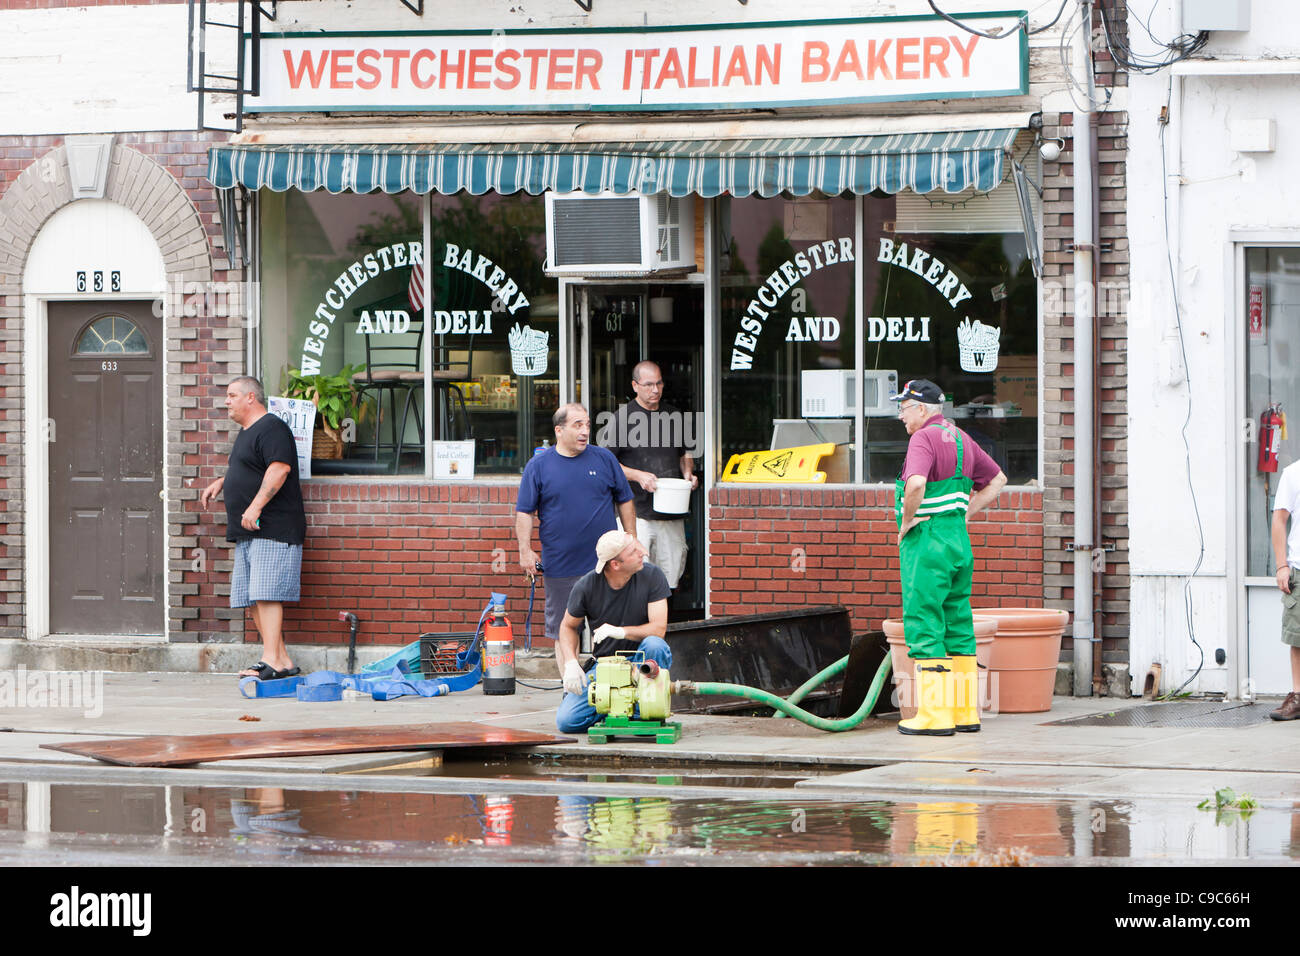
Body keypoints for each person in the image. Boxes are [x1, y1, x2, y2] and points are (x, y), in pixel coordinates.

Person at [894, 379, 1007, 736]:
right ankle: (963, 713)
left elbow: (915, 485)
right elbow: (999, 479)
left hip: (927, 543)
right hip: (958, 541)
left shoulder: (922, 438)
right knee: (958, 623)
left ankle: (934, 716)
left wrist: (908, 519)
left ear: (922, 409)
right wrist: (966, 512)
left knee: (925, 621)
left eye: (904, 408)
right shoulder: (961, 438)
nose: (901, 416)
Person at [199, 376, 306, 681]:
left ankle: (270, 659)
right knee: (253, 598)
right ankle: (281, 659)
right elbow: (249, 468)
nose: (226, 401)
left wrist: (256, 506)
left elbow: (279, 468)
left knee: (267, 594)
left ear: (250, 398)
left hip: (272, 527)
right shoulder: (247, 433)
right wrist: (224, 482)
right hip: (248, 532)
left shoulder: (272, 427)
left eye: (232, 395)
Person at [516, 403, 637, 650]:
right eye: (577, 425)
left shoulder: (604, 458)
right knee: (564, 630)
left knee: (610, 631)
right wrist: (524, 550)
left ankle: (605, 685)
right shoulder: (538, 466)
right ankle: (568, 686)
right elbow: (525, 512)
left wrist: (631, 539)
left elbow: (625, 499)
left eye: (587, 425)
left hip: (606, 563)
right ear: (559, 431)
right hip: (561, 564)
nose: (585, 431)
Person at [554, 530, 673, 733]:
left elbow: (659, 628)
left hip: (642, 661)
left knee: (655, 644)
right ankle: (614, 707)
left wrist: (621, 631)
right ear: (616, 564)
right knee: (567, 721)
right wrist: (571, 663)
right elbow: (567, 626)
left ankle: (641, 712)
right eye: (633, 552)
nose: (642, 553)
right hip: (606, 666)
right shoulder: (586, 586)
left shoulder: (652, 576)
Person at [604, 360, 699, 589]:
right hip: (636, 516)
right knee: (636, 579)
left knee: (670, 578)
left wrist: (688, 473)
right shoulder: (621, 418)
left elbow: (685, 453)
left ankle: (664, 624)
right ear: (635, 386)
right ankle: (639, 625)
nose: (654, 390)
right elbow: (607, 464)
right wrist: (638, 476)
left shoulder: (674, 416)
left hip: (672, 513)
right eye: (648, 385)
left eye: (658, 384)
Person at [1269, 459, 1300, 720]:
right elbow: (1279, 520)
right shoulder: (1293, 473)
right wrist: (1282, 566)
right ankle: (1298, 696)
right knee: (1298, 637)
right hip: (1299, 568)